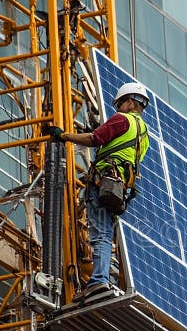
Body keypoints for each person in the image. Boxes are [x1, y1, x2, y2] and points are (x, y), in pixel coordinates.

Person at [48, 82, 150, 297]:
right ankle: (100, 279)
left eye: (120, 104)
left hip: (103, 183)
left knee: (101, 235)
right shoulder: (144, 134)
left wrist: (63, 135)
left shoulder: (122, 119)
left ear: (130, 102)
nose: (118, 109)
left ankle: (98, 280)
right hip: (119, 189)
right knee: (105, 233)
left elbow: (94, 139)